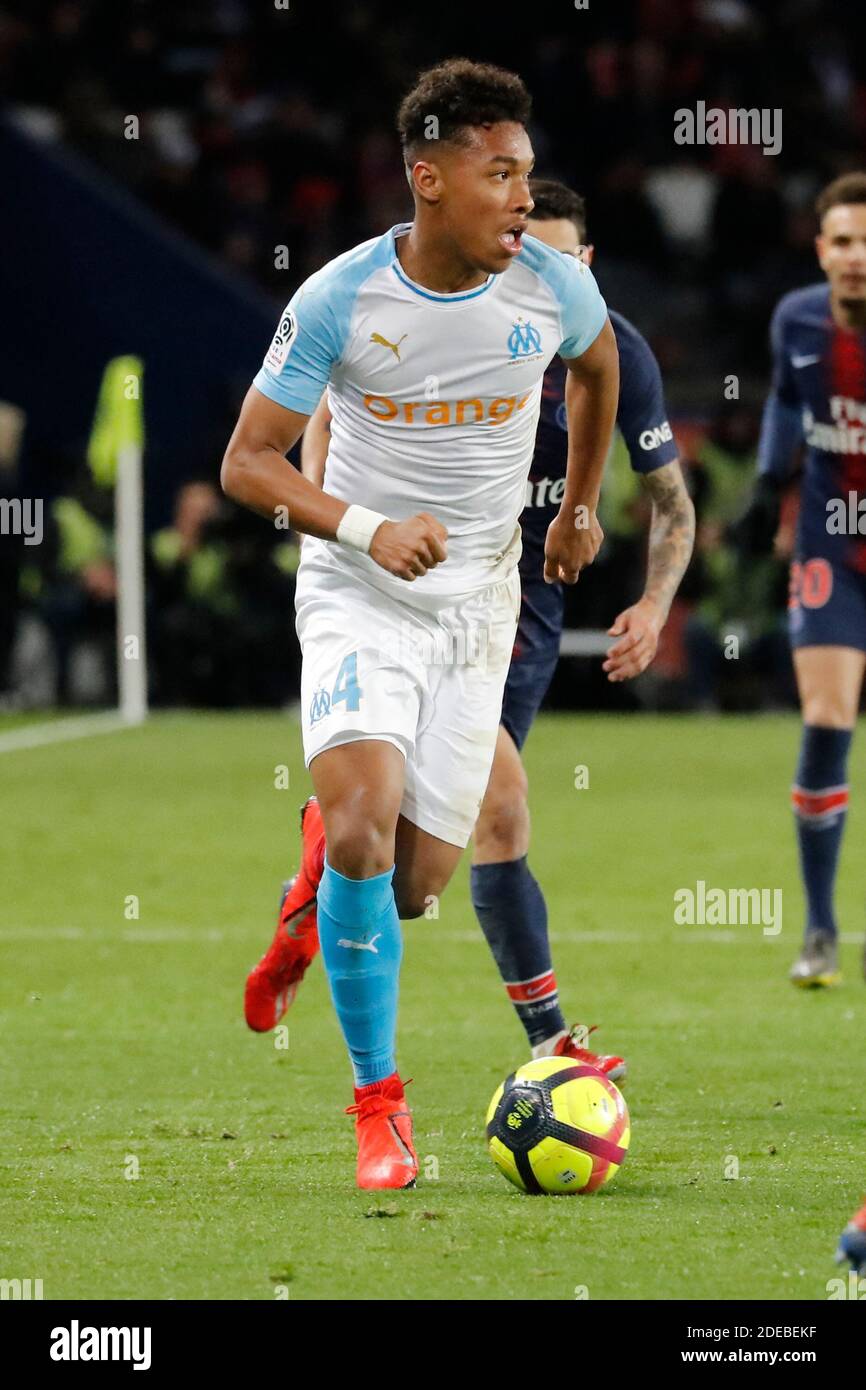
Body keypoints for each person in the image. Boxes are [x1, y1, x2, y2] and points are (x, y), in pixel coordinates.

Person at [223, 60, 619, 1189]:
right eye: (499, 175)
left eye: (527, 174)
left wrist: (579, 508)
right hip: (359, 589)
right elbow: (246, 461)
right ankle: (378, 1107)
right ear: (428, 179)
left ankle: (313, 895)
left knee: (408, 884)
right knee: (363, 823)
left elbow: (594, 374)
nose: (520, 200)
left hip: (481, 601)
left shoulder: (551, 287)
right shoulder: (343, 297)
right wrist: (359, 524)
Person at [252, 179, 695, 1079]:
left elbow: (670, 502)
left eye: (564, 260)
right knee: (493, 810)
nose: (540, 269)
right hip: (402, 588)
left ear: (586, 268)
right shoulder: (437, 323)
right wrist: (348, 528)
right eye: (532, 248)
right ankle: (540, 1045)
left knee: (414, 889)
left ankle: (318, 872)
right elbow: (329, 407)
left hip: (514, 615)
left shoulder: (606, 348)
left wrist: (649, 599)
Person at [735, 172, 866, 987]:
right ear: (822, 249)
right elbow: (787, 401)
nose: (857, 257)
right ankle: (820, 928)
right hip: (831, 548)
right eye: (844, 241)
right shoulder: (797, 318)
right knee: (826, 717)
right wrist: (762, 485)